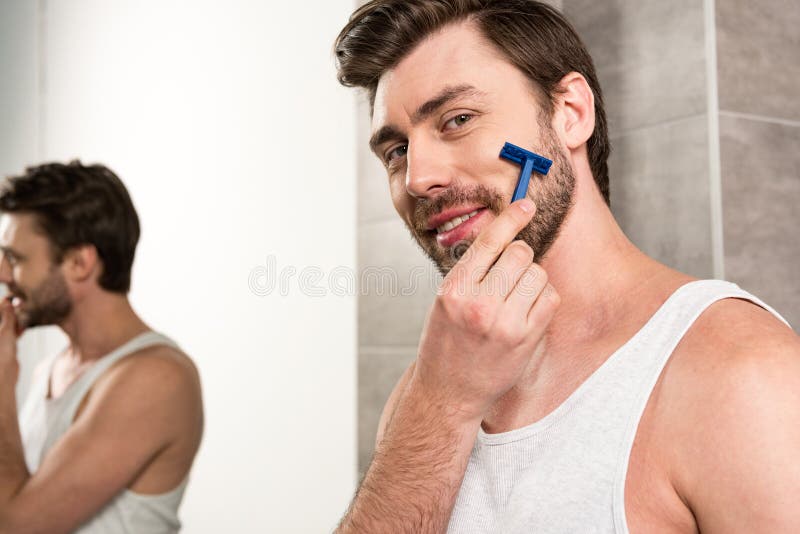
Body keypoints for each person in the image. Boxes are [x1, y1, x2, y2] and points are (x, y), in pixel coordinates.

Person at [333, 1, 800, 532]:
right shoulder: (425, 394)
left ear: (570, 113)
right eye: (396, 151)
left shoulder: (739, 374)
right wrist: (439, 404)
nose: (417, 178)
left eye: (457, 120)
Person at [0, 161, 203, 533]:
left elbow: (15, 526)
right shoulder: (51, 369)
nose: (2, 273)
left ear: (80, 263)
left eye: (15, 258)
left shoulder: (157, 379)